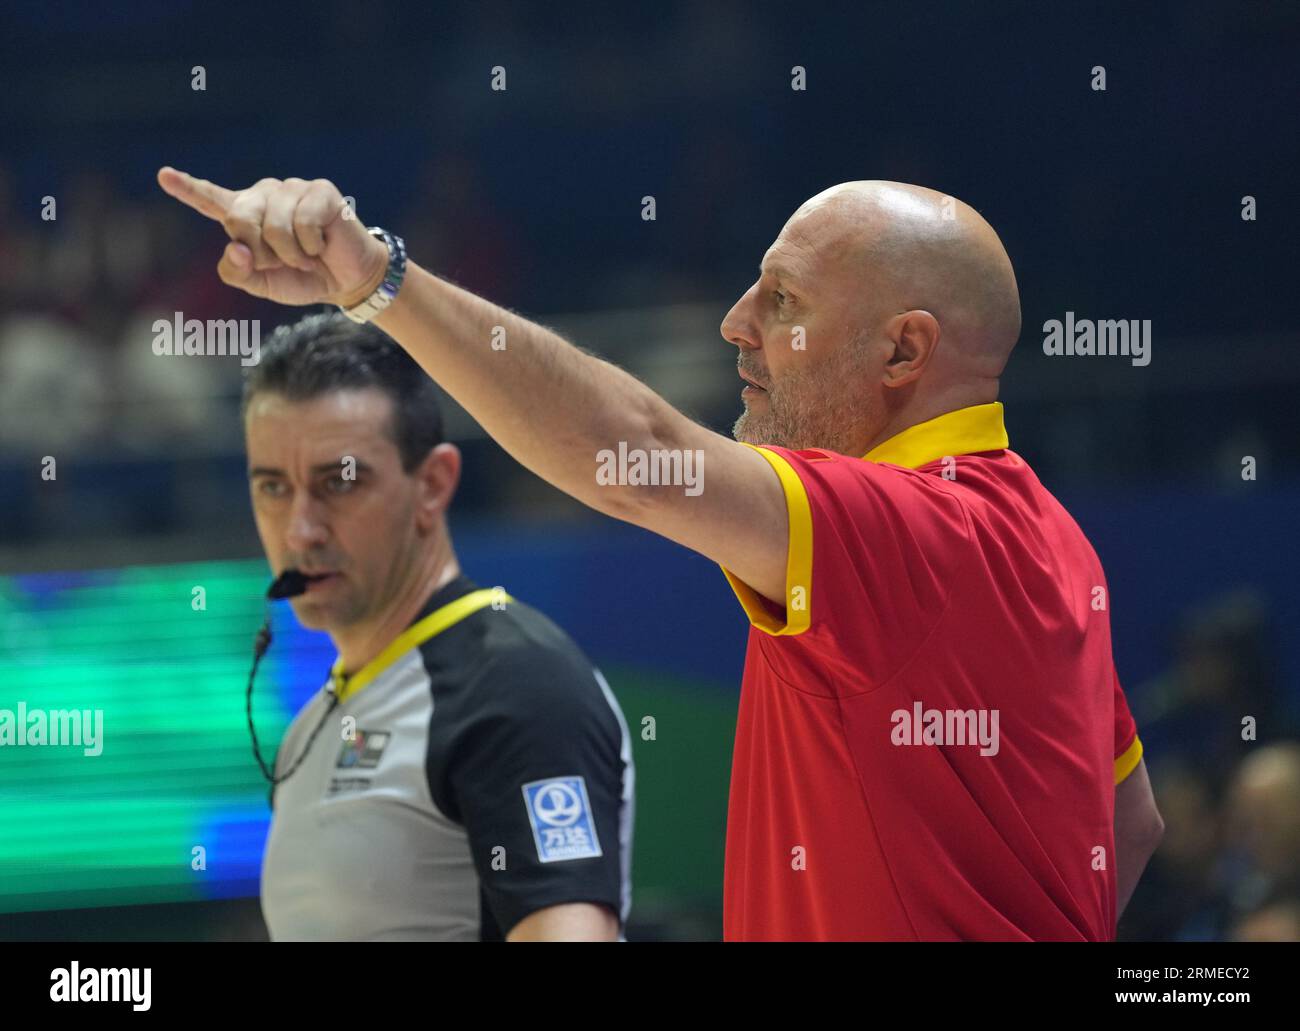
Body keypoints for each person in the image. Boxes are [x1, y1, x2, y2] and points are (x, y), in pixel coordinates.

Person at [159, 168, 1163, 940]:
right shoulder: (1051, 540)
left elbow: (632, 457)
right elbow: (1129, 824)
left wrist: (375, 279)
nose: (737, 327)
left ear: (902, 351)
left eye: (782, 302)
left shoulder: (912, 528)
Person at [243, 310, 633, 941]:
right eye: (272, 487)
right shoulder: (309, 727)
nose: (300, 531)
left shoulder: (516, 682)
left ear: (433, 484)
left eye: (338, 484)